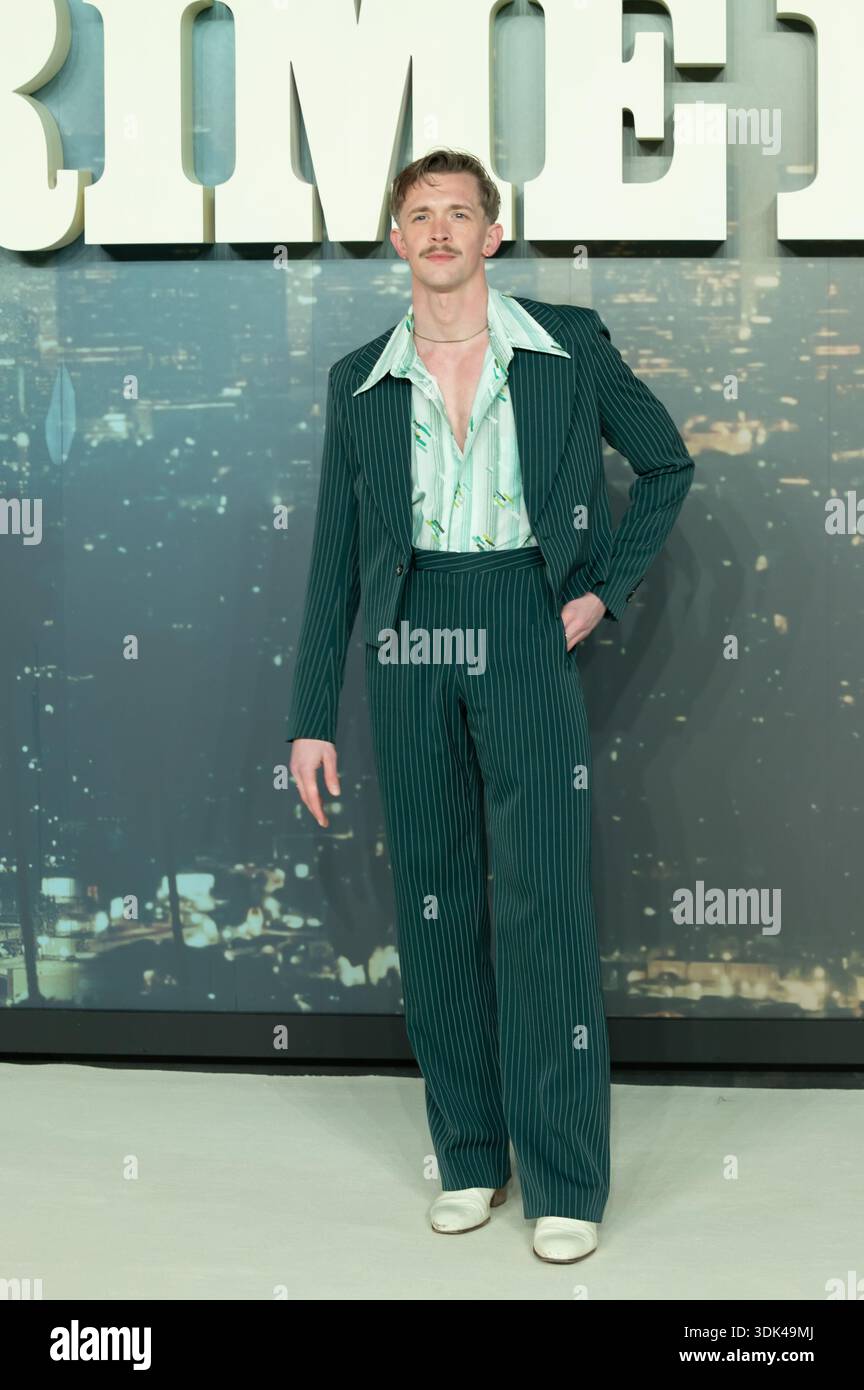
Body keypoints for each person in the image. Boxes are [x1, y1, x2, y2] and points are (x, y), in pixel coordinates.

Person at [287, 147, 694, 1264]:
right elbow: (334, 559)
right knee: (432, 906)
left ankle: (565, 1179)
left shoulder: (566, 345)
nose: (438, 229)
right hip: (409, 634)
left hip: (522, 614)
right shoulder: (357, 378)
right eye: (417, 213)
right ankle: (469, 1156)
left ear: (492, 233)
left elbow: (664, 464)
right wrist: (311, 713)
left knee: (544, 905)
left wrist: (602, 588)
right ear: (397, 237)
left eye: (458, 211)